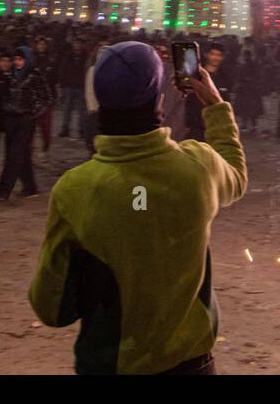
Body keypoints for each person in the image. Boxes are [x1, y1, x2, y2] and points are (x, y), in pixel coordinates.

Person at [29, 41, 247, 374]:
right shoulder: (197, 166)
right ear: (158, 98)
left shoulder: (77, 189)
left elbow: (51, 307)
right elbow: (237, 175)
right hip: (192, 363)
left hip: (115, 365)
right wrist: (215, 104)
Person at [0, 46, 52, 202]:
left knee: (14, 155)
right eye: (15, 59)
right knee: (20, 154)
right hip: (10, 118)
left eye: (21, 59)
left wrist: (32, 113)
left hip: (25, 119)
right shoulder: (10, 75)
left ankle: (3, 191)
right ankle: (30, 187)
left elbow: (47, 98)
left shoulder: (34, 74)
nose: (17, 62)